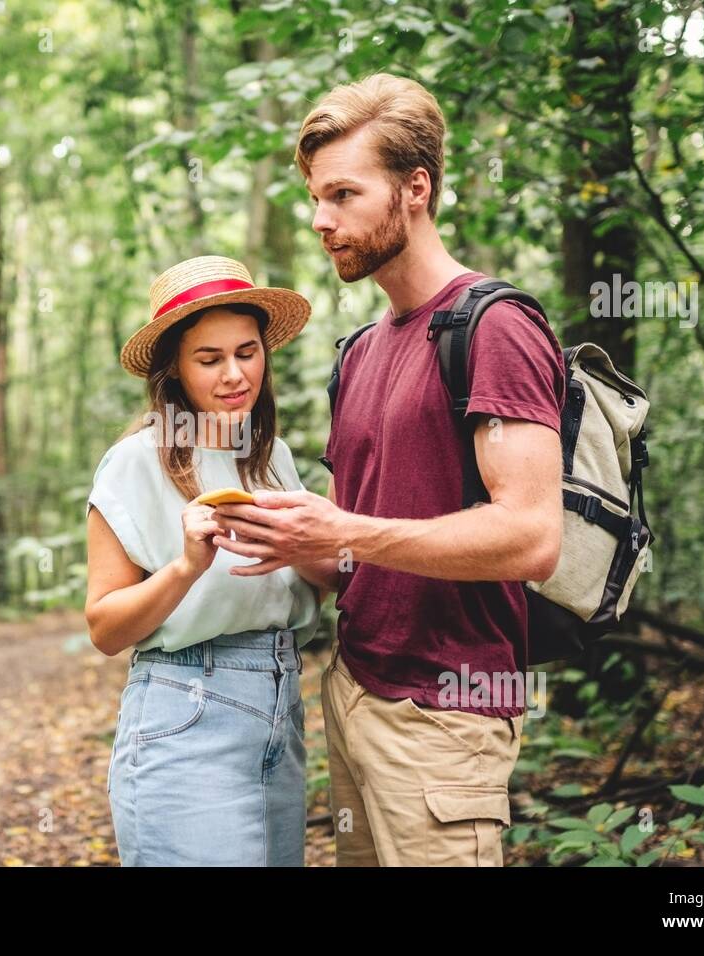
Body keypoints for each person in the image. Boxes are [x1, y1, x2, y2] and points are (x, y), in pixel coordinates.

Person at [211, 74, 566, 866]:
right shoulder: (361, 354)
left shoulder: (495, 326)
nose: (319, 219)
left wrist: (346, 530)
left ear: (416, 189)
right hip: (353, 693)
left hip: (448, 714)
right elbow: (364, 558)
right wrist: (294, 539)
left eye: (343, 193)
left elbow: (532, 536)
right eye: (314, 196)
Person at [84, 254, 330, 866]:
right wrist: (185, 566)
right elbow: (105, 628)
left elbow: (319, 585)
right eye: (209, 359)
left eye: (246, 352)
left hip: (281, 707)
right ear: (174, 369)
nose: (233, 374)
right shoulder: (136, 463)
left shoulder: (277, 461)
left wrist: (316, 547)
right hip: (186, 710)